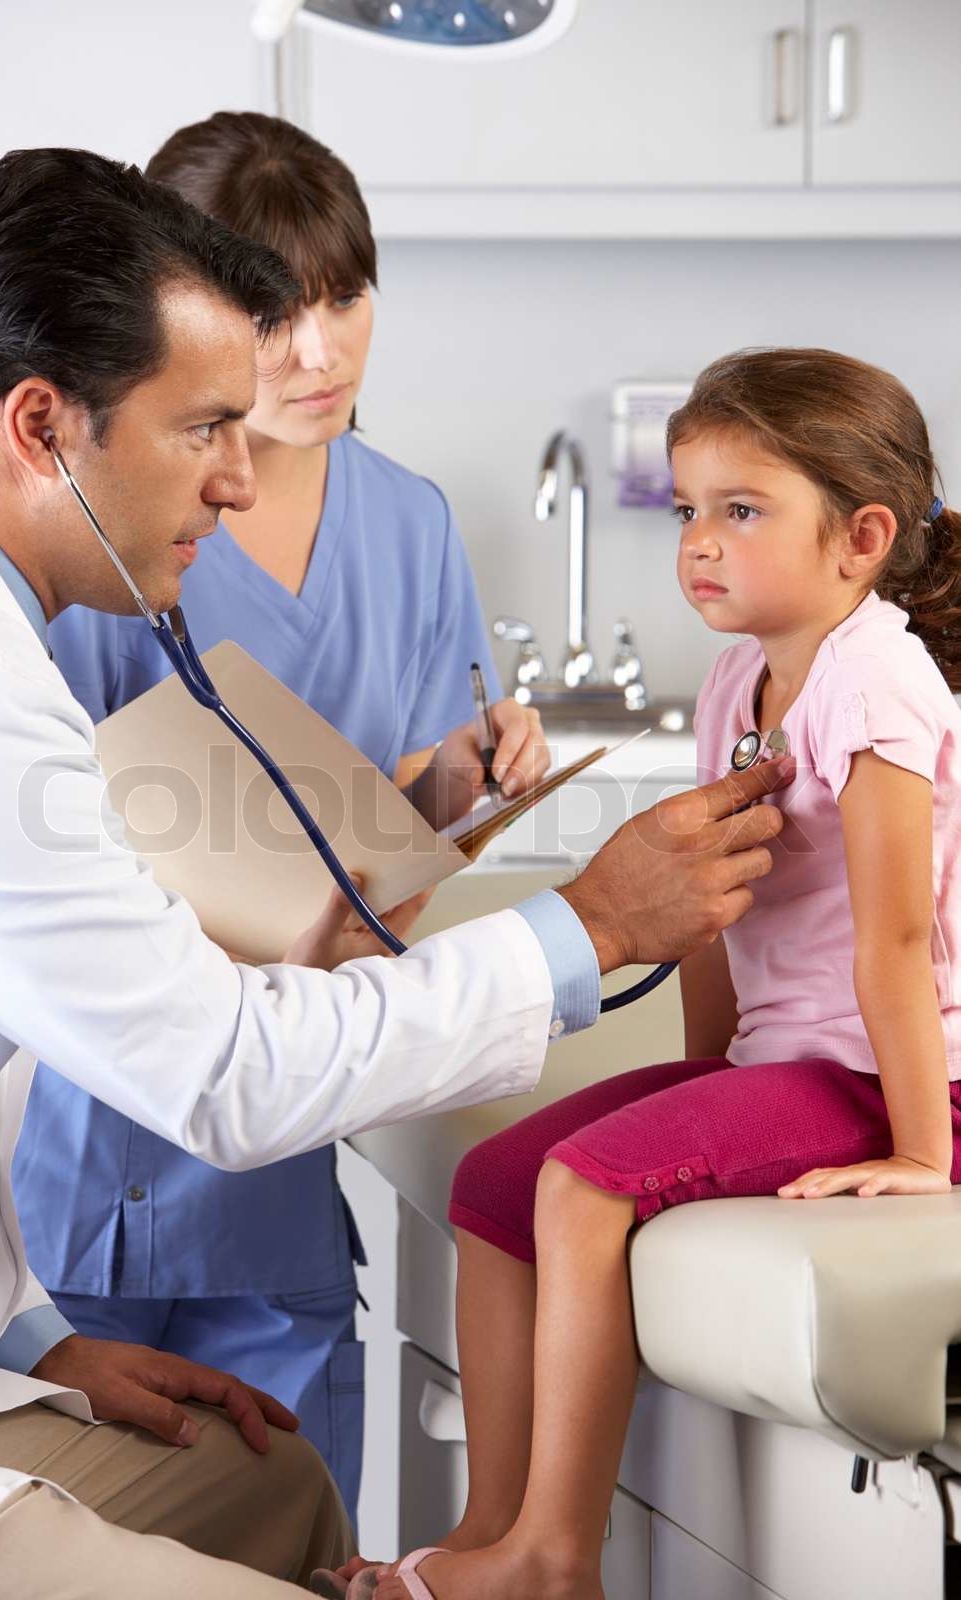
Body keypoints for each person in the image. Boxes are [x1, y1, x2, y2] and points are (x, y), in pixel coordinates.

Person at [0, 150, 786, 1599]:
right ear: (43, 427)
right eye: (202, 429)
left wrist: (23, 1342)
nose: (241, 478)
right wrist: (586, 929)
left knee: (267, 1481)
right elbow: (221, 1062)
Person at [327, 347, 961, 1600]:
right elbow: (713, 911)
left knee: (581, 1184)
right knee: (496, 1182)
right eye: (686, 511)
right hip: (792, 1063)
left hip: (884, 1073)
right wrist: (697, 1077)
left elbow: (896, 940)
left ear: (860, 537)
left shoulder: (877, 678)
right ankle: (488, 1533)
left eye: (740, 510)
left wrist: (923, 1154)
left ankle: (557, 1560)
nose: (698, 545)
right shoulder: (739, 678)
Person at [11, 113, 549, 1524]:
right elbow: (46, 830)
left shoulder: (410, 522)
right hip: (105, 1136)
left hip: (293, 1130)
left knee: (300, 1525)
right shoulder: (106, 517)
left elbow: (380, 846)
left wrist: (468, 783)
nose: (316, 351)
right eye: (273, 309)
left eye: (344, 296)